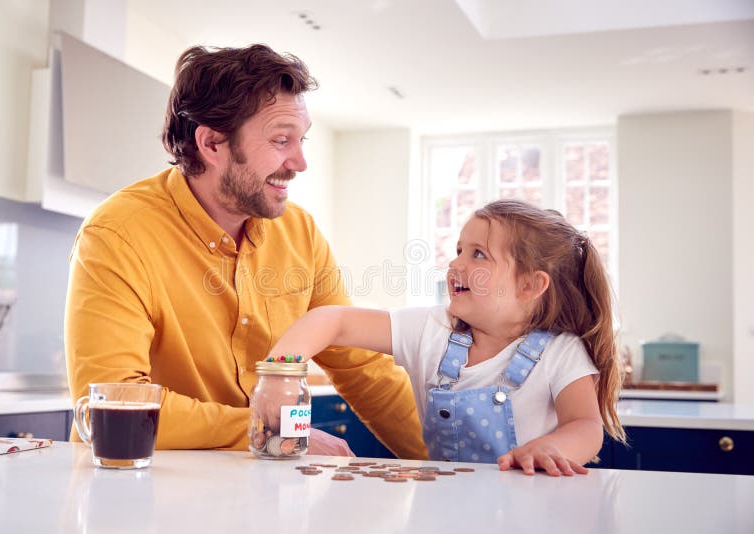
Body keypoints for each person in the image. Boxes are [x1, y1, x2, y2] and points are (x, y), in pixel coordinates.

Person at [64, 43, 427, 459]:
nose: (300, 161)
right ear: (212, 143)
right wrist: (264, 431)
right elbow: (114, 400)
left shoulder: (300, 233)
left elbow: (364, 371)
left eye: (301, 139)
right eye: (280, 140)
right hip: (145, 493)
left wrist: (460, 459)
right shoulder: (118, 234)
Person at [268, 199, 627, 474]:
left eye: (478, 255)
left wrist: (553, 449)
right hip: (440, 510)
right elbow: (334, 321)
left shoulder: (561, 352)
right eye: (459, 250)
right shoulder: (432, 330)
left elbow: (585, 425)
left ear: (530, 285)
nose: (456, 264)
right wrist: (280, 374)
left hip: (530, 511)